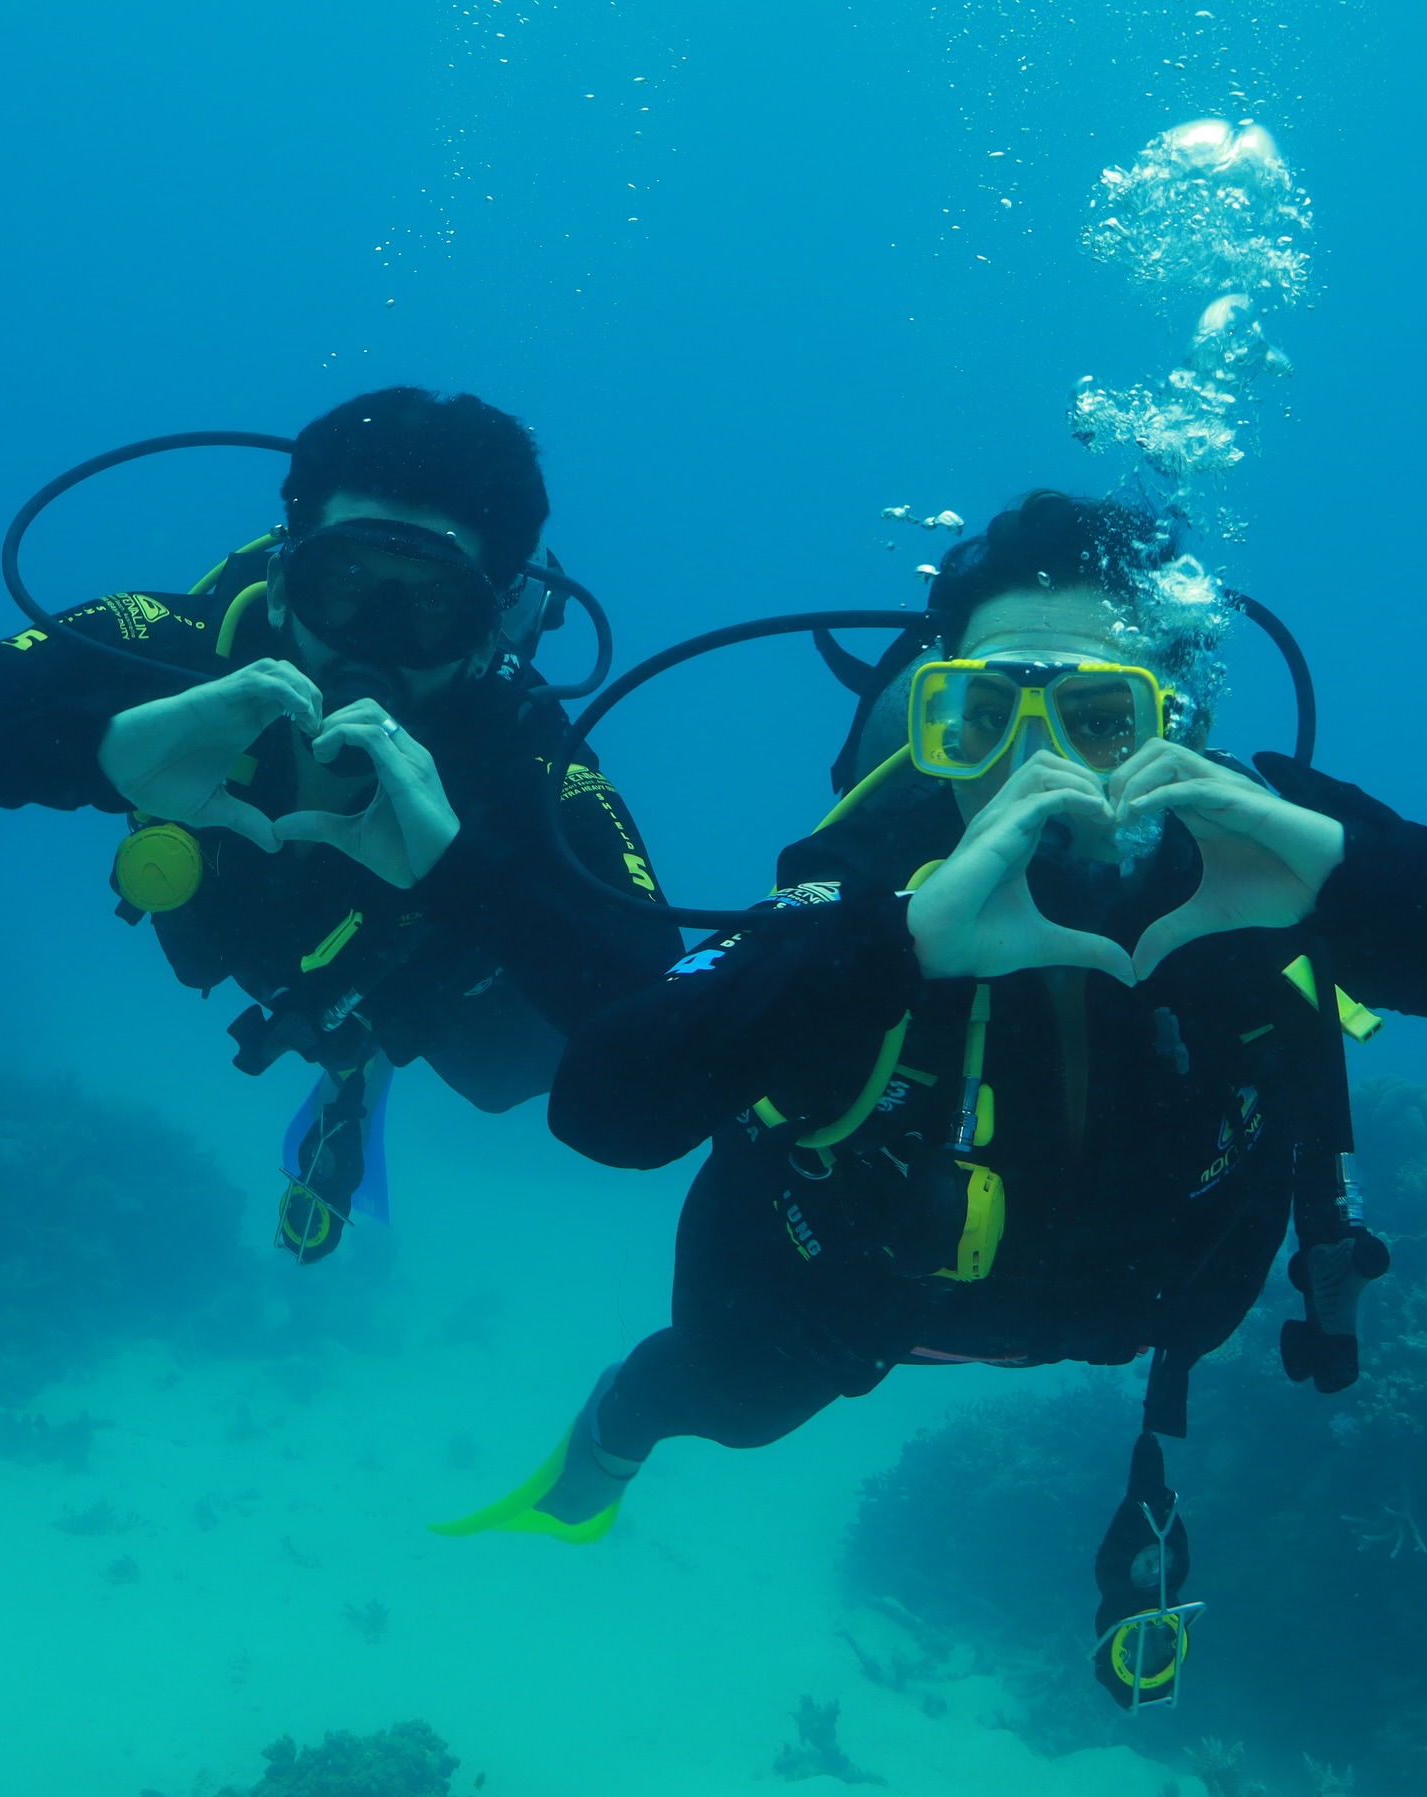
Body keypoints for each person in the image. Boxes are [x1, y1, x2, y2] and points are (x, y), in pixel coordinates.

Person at [437, 489, 1426, 1706]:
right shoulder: (871, 871)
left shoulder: (1273, 840)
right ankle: (607, 1441)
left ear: (1180, 722)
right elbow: (607, 1106)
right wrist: (901, 943)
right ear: (931, 722)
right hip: (846, 1301)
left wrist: (1349, 885)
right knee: (724, 1401)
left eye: (1103, 715)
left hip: (1153, 1298)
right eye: (984, 716)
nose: (1042, 766)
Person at [0, 386, 679, 1261]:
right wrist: (92, 749)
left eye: (434, 606)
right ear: (281, 583)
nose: (374, 642)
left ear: (487, 631)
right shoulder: (175, 645)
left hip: (422, 968)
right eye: (342, 584)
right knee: (216, 940)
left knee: (512, 1062)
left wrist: (469, 879)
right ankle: (342, 1047)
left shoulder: (526, 759)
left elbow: (668, 1054)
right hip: (243, 919)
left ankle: (363, 1054)